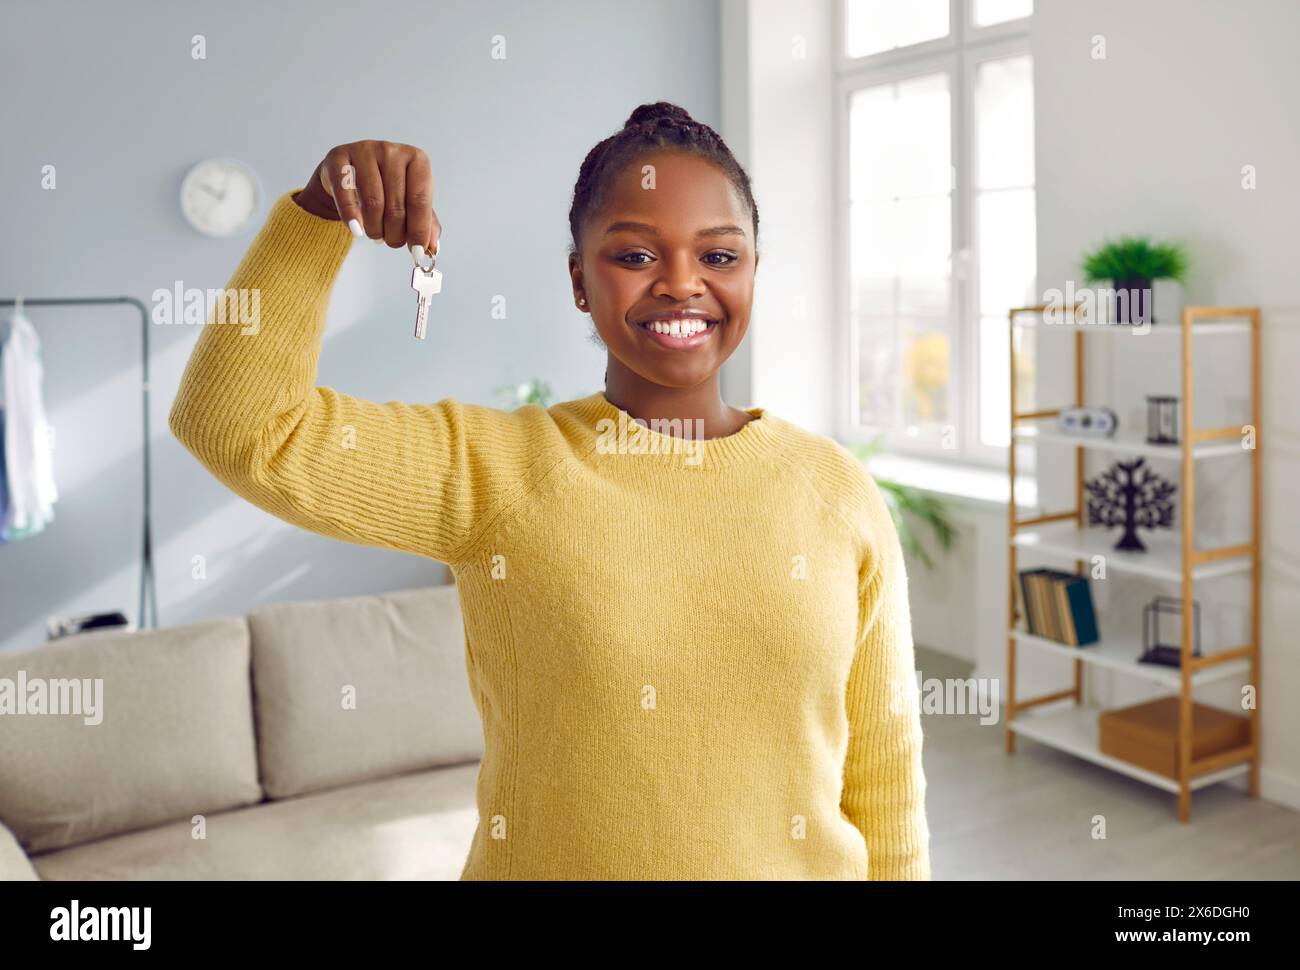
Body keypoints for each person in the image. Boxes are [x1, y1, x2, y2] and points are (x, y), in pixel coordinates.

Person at [169, 101, 932, 880]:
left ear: (754, 272)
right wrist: (317, 217)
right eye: (635, 256)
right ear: (578, 279)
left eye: (720, 257)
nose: (681, 284)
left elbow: (884, 777)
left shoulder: (835, 490)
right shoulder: (498, 471)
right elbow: (237, 426)